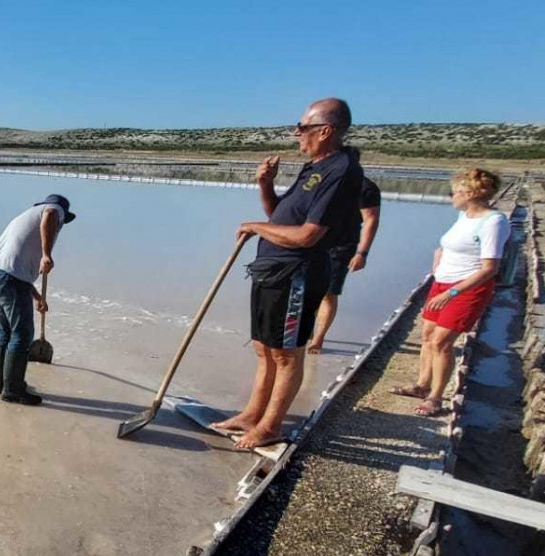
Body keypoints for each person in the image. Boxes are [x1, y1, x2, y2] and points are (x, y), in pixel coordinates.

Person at [212, 98, 364, 449]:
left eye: (303, 127)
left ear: (325, 131)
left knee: (286, 353)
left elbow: (308, 235)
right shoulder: (315, 167)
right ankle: (253, 415)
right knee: (264, 348)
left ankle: (271, 427)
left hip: (298, 274)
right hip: (273, 269)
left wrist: (256, 227)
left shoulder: (340, 171)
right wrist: (266, 185)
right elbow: (282, 216)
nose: (297, 134)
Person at [391, 168, 507, 417]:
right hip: (441, 283)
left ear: (469, 193)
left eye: (454, 192)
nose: (450, 196)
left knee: (441, 342)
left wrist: (452, 292)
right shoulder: (465, 217)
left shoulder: (494, 222)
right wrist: (439, 259)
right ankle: (422, 385)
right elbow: (455, 246)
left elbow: (489, 268)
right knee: (427, 336)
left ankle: (436, 397)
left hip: (467, 289)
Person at [0, 194, 75, 405]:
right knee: (22, 334)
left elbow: (14, 268)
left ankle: (5, 384)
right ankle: (13, 389)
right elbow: (51, 214)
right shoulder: (53, 209)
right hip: (9, 279)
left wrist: (36, 296)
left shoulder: (25, 217)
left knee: (6, 332)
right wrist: (46, 254)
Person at [306, 174, 382, 353]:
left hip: (341, 246)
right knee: (307, 290)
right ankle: (306, 329)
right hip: (312, 242)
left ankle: (318, 338)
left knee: (328, 293)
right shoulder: (321, 180)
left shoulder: (365, 187)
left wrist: (362, 253)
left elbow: (371, 219)